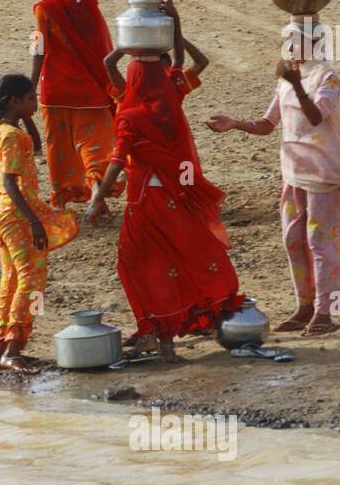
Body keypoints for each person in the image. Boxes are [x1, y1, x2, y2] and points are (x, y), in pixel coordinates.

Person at [207, 21, 340, 335]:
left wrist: (295, 85)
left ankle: (324, 311)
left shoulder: (327, 77)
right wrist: (235, 123)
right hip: (293, 171)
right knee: (294, 240)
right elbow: (268, 123)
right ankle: (304, 305)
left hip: (322, 172)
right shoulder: (288, 79)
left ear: (314, 43)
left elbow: (317, 116)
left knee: (320, 242)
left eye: (294, 40)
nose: (289, 47)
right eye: (287, 41)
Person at [87, 53, 242, 362]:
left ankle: (158, 334)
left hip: (146, 200)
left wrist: (97, 198)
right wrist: (172, 22)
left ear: (132, 81)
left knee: (139, 265)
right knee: (177, 259)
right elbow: (196, 61)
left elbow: (117, 163)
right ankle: (169, 334)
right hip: (177, 196)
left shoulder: (129, 116)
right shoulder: (173, 98)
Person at [0, 74, 80, 374]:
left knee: (12, 279)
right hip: (15, 214)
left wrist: (25, 116)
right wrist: (34, 221)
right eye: (29, 99)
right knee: (31, 278)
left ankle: (7, 348)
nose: (35, 103)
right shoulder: (11, 136)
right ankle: (12, 349)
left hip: (5, 214)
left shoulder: (5, 129)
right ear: (14, 101)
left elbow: (37, 144)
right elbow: (9, 183)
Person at [31, 0, 119, 209]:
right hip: (92, 90)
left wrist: (30, 88)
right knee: (94, 144)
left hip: (56, 90)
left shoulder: (45, 8)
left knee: (60, 145)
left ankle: (61, 200)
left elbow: (38, 49)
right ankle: (96, 188)